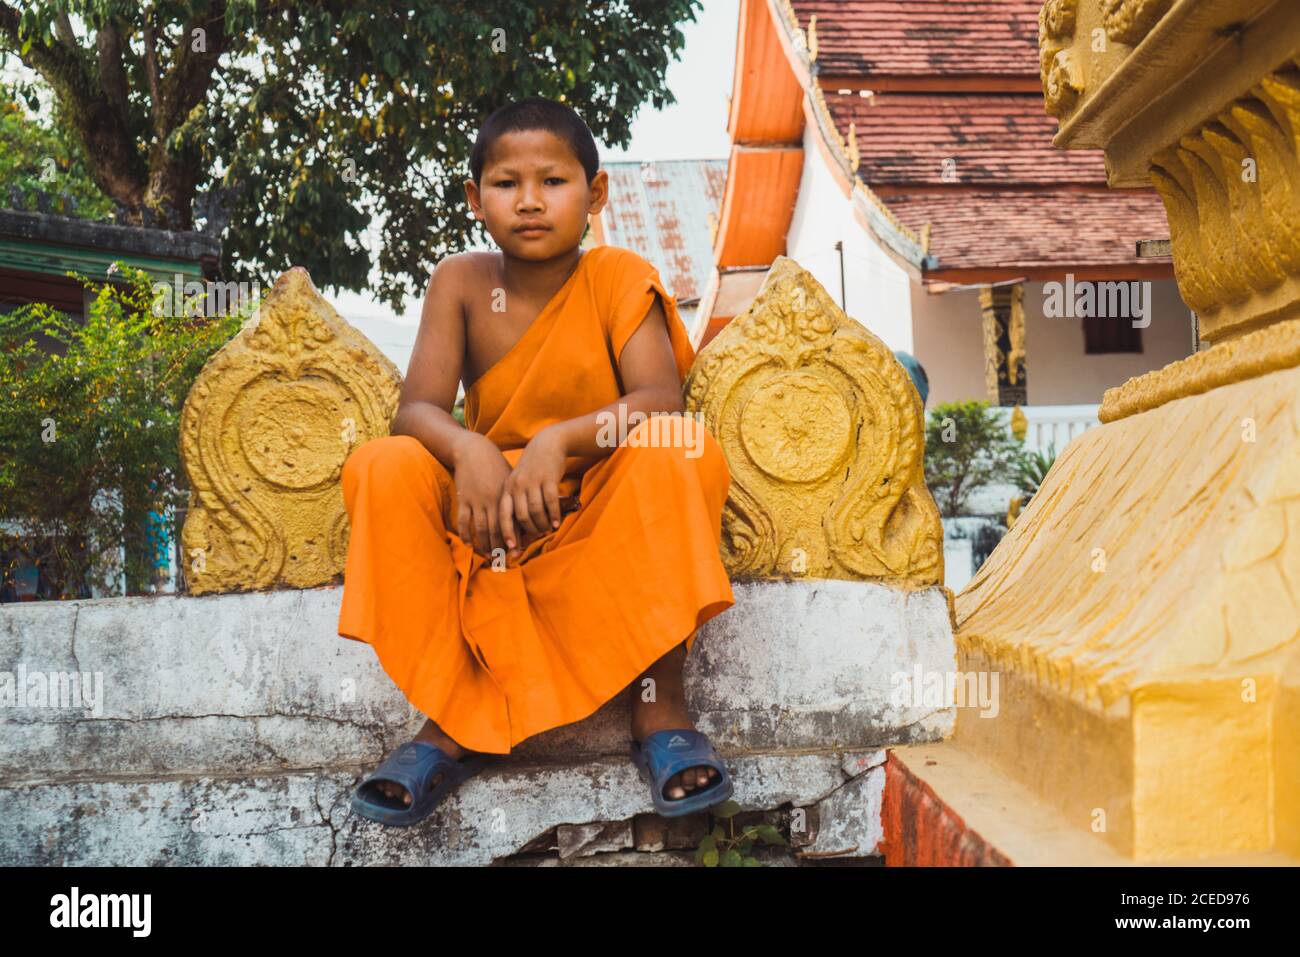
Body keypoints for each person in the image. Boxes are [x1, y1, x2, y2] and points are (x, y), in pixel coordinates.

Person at [337, 96, 737, 826]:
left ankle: (661, 713)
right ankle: (453, 717)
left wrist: (559, 441)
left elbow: (656, 399)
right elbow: (416, 409)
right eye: (505, 183)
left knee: (680, 452)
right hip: (490, 517)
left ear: (596, 193)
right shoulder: (459, 281)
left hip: (594, 503)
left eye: (553, 182)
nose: (530, 201)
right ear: (473, 198)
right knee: (382, 465)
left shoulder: (618, 274)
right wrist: (470, 448)